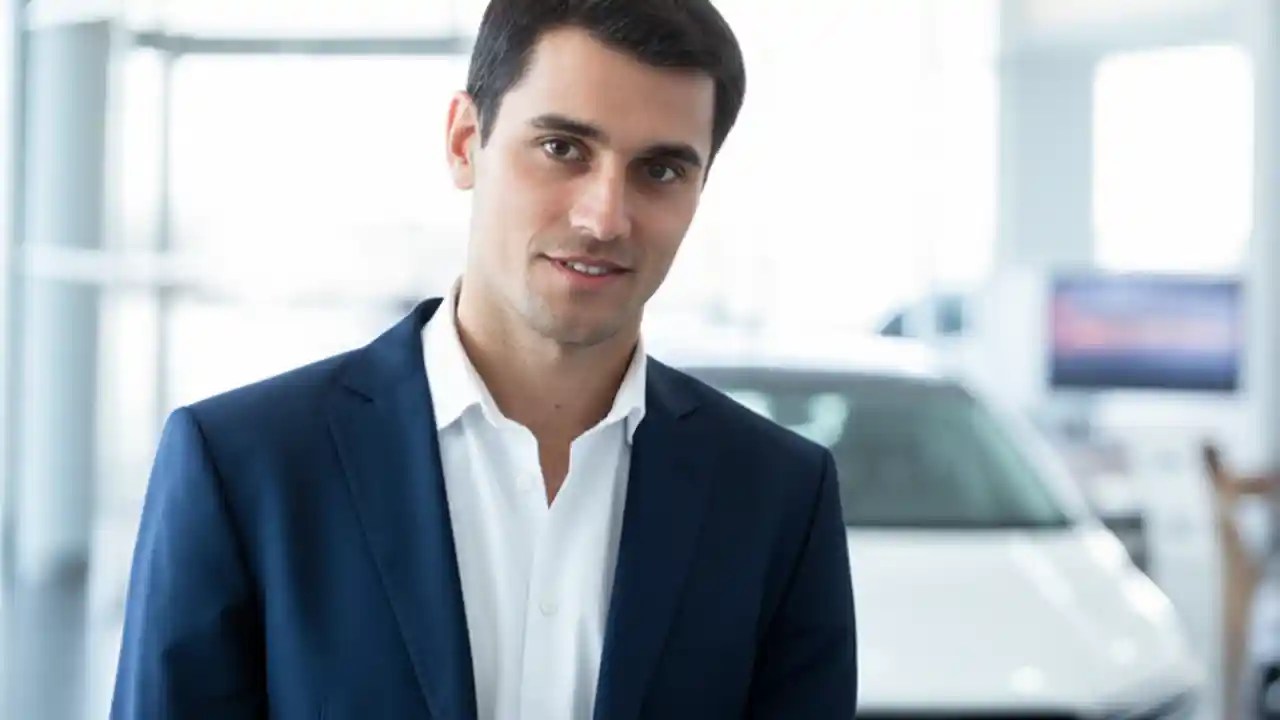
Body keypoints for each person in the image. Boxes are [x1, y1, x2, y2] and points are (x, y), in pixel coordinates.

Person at [110, 1, 858, 718]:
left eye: (659, 170)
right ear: (466, 141)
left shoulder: (778, 499)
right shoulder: (246, 467)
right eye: (563, 148)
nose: (603, 216)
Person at [1202, 441, 1279, 720]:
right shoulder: (1226, 488)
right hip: (1241, 582)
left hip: (1244, 581)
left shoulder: (1228, 487)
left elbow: (1263, 483)